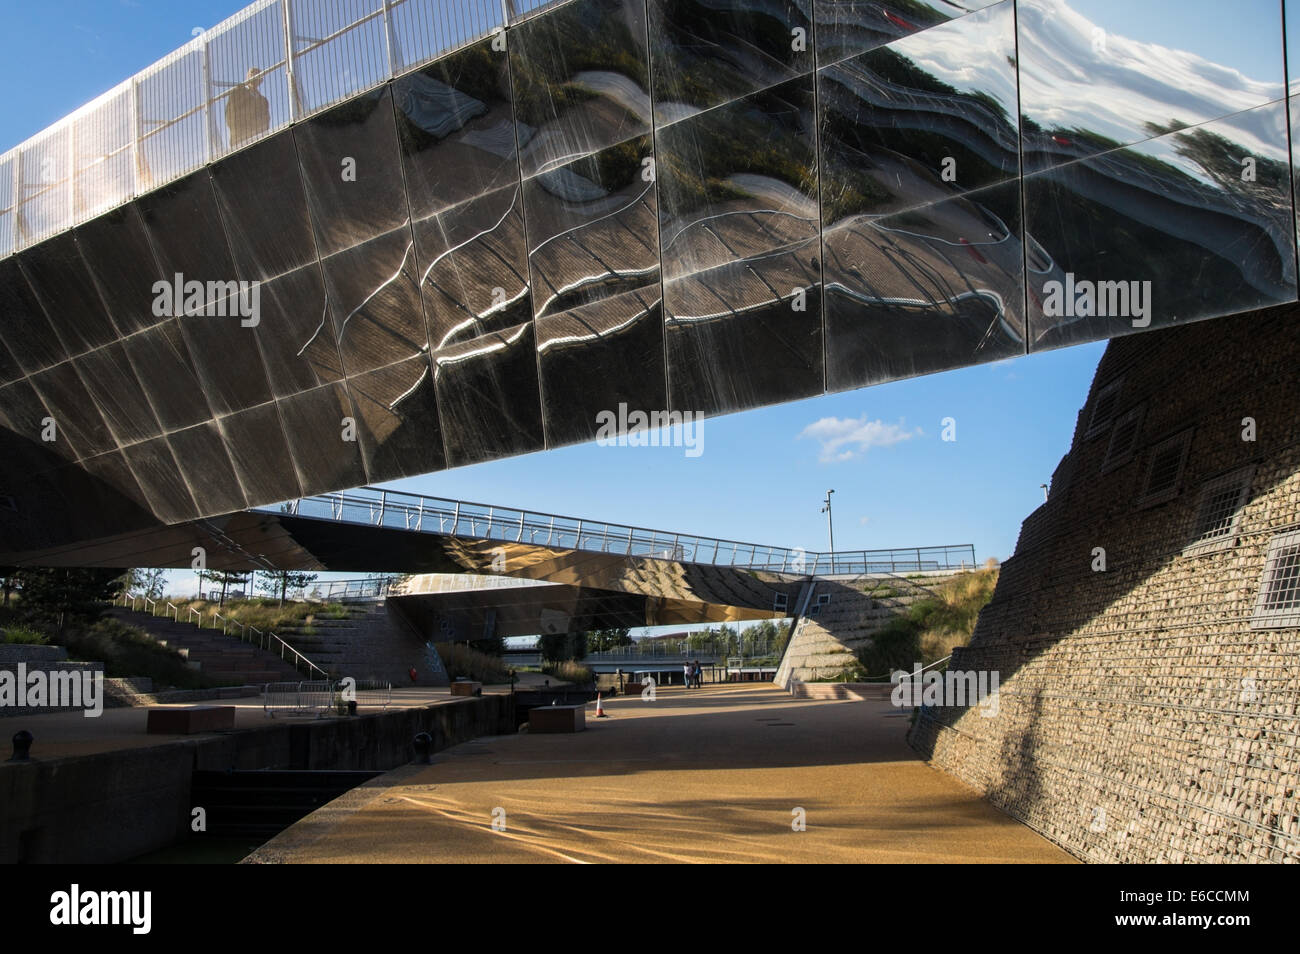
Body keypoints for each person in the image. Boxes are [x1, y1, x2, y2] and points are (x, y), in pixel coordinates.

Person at [226, 66, 271, 148]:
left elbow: (266, 120)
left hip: (258, 139)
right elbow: (229, 115)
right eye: (252, 72)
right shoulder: (237, 92)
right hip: (240, 139)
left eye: (257, 74)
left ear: (261, 80)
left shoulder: (263, 101)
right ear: (247, 76)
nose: (254, 75)